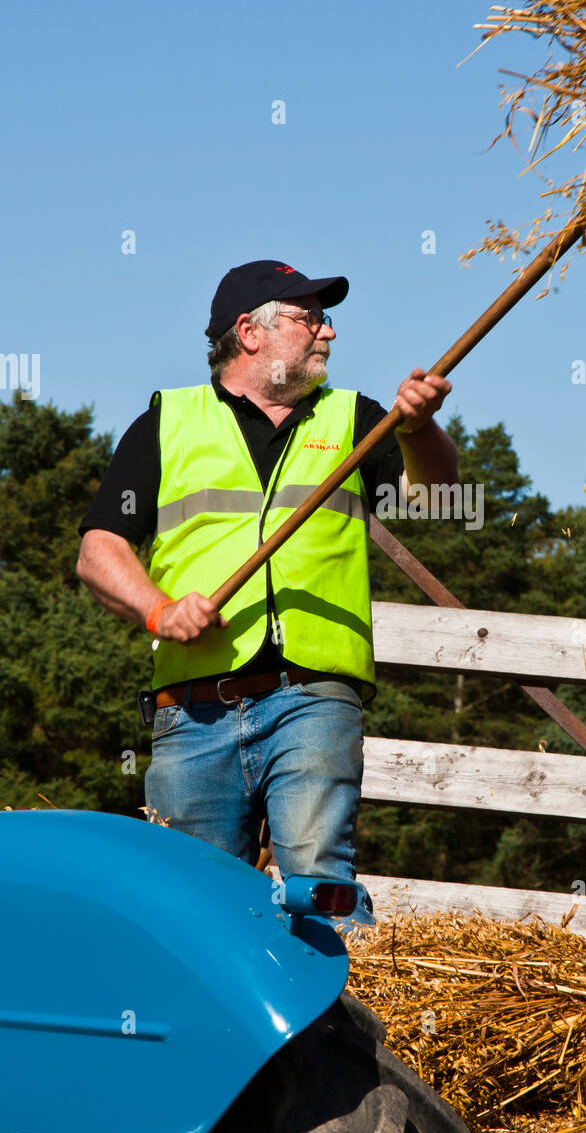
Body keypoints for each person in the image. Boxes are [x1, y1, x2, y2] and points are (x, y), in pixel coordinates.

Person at [77, 258, 457, 904]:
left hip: (313, 694)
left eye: (324, 319)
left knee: (316, 877)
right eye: (310, 318)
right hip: (191, 706)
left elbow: (440, 499)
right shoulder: (167, 422)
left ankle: (322, 1005)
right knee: (194, 900)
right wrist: (159, 612)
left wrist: (419, 430)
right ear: (250, 333)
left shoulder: (357, 420)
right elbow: (99, 549)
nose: (327, 333)